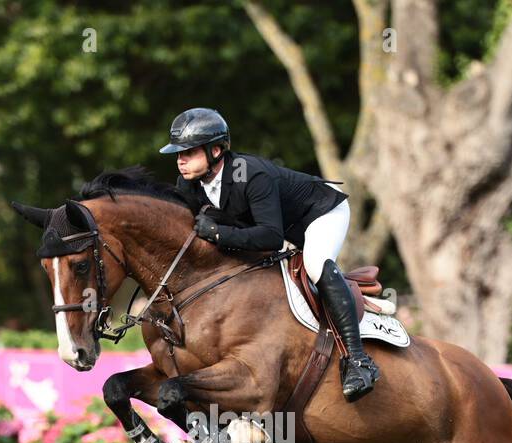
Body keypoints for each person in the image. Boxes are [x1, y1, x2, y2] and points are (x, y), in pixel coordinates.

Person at [160, 107, 381, 402]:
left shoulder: (251, 174)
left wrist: (217, 234)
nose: (180, 160)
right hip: (283, 225)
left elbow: (271, 237)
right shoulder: (188, 184)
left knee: (316, 265)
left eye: (189, 152)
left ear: (216, 150)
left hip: (321, 212)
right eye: (178, 153)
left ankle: (358, 361)